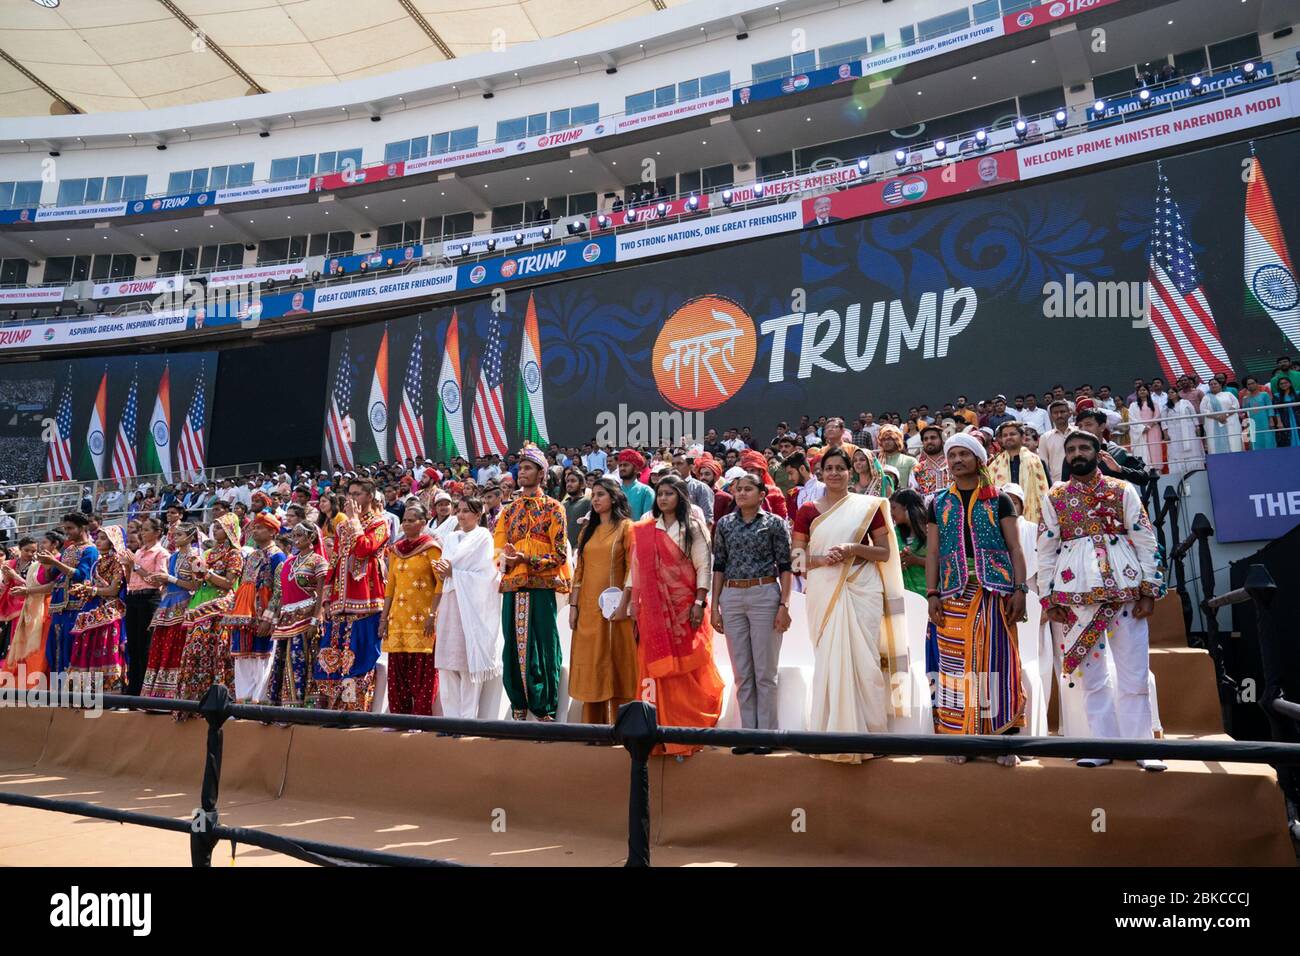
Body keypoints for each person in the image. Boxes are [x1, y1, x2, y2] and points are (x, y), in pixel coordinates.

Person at [1038, 429, 1166, 771]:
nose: (1078, 453)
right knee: (1092, 677)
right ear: (1065, 457)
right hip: (1077, 596)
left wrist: (1149, 589)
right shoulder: (1055, 496)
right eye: (1072, 449)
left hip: (1126, 593)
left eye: (1084, 447)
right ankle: (1102, 744)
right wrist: (1047, 596)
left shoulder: (1122, 489)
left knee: (1134, 672)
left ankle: (1141, 746)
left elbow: (1144, 539)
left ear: (1097, 451)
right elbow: (1046, 548)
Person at [793, 447, 911, 759]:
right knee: (830, 662)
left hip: (863, 589)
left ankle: (872, 736)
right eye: (828, 468)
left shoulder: (868, 507)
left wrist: (852, 548)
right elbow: (796, 560)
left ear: (851, 472)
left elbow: (884, 552)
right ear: (821, 473)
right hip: (825, 590)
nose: (834, 473)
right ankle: (830, 735)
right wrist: (822, 558)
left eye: (840, 468)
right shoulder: (807, 510)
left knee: (866, 663)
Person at [924, 434, 1028, 764]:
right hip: (953, 591)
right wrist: (931, 593)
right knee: (954, 664)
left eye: (963, 454)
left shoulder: (999, 500)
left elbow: (1015, 548)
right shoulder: (938, 502)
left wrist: (1020, 590)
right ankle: (961, 737)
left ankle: (1002, 739)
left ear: (979, 459)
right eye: (951, 454)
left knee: (996, 660)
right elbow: (933, 552)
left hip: (994, 590)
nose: (956, 460)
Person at [627, 474, 723, 757]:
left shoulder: (693, 526)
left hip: (685, 610)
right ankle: (655, 734)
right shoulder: (645, 529)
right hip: (653, 612)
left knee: (686, 669)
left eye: (669, 493)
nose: (663, 498)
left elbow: (703, 566)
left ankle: (686, 732)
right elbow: (635, 569)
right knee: (655, 671)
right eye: (660, 494)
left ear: (681, 496)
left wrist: (699, 601)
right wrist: (634, 602)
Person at [711, 472, 793, 749]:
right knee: (742, 671)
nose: (742, 493)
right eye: (738, 489)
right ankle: (748, 734)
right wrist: (715, 606)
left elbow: (785, 567)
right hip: (732, 595)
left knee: (765, 672)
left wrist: (784, 605)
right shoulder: (724, 524)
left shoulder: (775, 524)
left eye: (748, 489)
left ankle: (766, 736)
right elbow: (719, 565)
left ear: (761, 495)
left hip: (765, 593)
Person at [495, 444, 571, 721]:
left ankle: (545, 705)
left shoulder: (554, 508)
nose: (521, 472)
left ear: (541, 474)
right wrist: (506, 559)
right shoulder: (509, 510)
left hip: (541, 584)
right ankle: (519, 703)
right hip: (514, 585)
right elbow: (498, 547)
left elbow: (560, 553)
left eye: (528, 468)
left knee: (544, 642)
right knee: (512, 643)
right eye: (520, 468)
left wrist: (527, 559)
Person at [568, 477, 638, 724]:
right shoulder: (588, 530)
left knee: (616, 661)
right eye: (593, 495)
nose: (595, 499)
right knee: (591, 663)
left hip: (615, 609)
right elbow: (579, 572)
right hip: (587, 608)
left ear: (614, 497)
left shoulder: (627, 528)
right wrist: (573, 606)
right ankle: (592, 728)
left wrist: (625, 605)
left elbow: (633, 568)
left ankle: (620, 727)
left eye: (600, 495)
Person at [317, 477, 389, 712]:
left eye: (358, 494)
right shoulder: (342, 526)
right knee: (333, 655)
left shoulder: (380, 523)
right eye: (351, 494)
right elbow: (335, 560)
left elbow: (364, 548)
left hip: (366, 600)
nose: (353, 499)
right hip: (339, 603)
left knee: (358, 657)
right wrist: (327, 598)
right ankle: (331, 708)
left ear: (370, 496)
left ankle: (353, 708)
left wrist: (355, 521)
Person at [433, 497, 503, 719]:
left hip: (471, 606)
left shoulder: (483, 537)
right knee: (446, 663)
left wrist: (454, 573)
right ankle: (451, 719)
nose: (461, 515)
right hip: (450, 601)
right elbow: (445, 569)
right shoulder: (452, 538)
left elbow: (486, 575)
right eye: (459, 510)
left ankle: (467, 719)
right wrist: (445, 571)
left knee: (466, 665)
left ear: (478, 514)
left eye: (466, 511)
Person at [175, 513, 242, 716]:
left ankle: (219, 702)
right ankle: (193, 704)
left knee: (217, 653)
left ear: (230, 531)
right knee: (194, 652)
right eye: (214, 526)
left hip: (221, 607)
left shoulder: (234, 554)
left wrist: (207, 574)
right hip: (200, 605)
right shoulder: (208, 553)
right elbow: (197, 582)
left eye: (220, 527)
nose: (216, 530)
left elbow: (229, 583)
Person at [380, 502, 442, 716]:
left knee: (423, 671)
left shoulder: (431, 548)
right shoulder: (396, 550)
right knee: (397, 671)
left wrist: (433, 614)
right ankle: (399, 717)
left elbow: (440, 584)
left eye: (411, 520)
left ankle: (421, 718)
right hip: (397, 618)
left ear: (423, 523)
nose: (406, 524)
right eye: (404, 520)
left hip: (423, 618)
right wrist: (384, 618)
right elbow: (390, 587)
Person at [222, 511, 286, 703]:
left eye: (259, 528)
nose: (254, 531)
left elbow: (279, 590)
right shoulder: (252, 556)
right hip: (245, 613)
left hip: (262, 613)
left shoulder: (278, 556)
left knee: (262, 656)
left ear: (272, 532)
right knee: (243, 656)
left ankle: (259, 701)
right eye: (254, 527)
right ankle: (243, 700)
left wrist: (268, 618)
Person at [267, 521, 330, 707]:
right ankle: (280, 705)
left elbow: (321, 593)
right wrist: (276, 618)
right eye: (293, 536)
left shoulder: (318, 561)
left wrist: (315, 620)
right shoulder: (289, 562)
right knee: (282, 660)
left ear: (311, 537)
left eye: (300, 535)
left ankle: (301, 706)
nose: (295, 540)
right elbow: (283, 594)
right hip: (287, 620)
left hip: (306, 618)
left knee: (301, 661)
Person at [139, 523, 205, 700]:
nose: (175, 538)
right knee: (160, 646)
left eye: (179, 535)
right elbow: (168, 581)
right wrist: (159, 579)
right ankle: (155, 694)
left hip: (184, 604)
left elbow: (197, 585)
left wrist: (169, 578)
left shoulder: (197, 559)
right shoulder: (174, 557)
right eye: (174, 535)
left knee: (175, 646)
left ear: (191, 537)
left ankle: (172, 694)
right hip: (168, 602)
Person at [66, 526, 129, 694]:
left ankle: (109, 693)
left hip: (110, 612)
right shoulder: (98, 562)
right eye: (98, 538)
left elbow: (113, 591)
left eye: (103, 538)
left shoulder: (117, 562)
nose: (98, 541)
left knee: (106, 649)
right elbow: (93, 586)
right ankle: (87, 692)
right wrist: (83, 589)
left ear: (113, 541)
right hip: (94, 610)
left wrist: (91, 590)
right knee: (88, 648)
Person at [40, 512, 99, 681]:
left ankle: (71, 689)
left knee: (71, 646)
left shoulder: (90, 550)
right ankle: (58, 689)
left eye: (70, 528)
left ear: (83, 528)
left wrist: (56, 562)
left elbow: (82, 575)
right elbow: (51, 577)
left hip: (76, 604)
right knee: (55, 646)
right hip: (59, 605)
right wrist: (46, 564)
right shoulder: (68, 549)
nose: (67, 532)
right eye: (65, 528)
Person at [0, 533, 56, 689]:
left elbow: (31, 587)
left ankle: (25, 676)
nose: (30, 554)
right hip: (11, 607)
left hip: (29, 606)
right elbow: (4, 586)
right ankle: (11, 674)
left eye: (33, 551)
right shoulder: (11, 563)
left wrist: (15, 576)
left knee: (26, 643)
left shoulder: (36, 565)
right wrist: (6, 578)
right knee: (10, 643)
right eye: (27, 550)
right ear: (19, 549)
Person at [120, 517, 169, 695]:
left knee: (146, 646)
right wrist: (127, 567)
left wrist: (135, 565)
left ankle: (145, 689)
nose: (143, 532)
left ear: (157, 532)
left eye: (147, 529)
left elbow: (157, 581)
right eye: (143, 529)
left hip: (150, 598)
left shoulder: (161, 553)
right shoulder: (139, 551)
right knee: (133, 645)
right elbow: (130, 580)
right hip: (134, 596)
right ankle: (133, 688)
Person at [988, 421, 1049, 524]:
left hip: (1032, 521)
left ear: (1022, 437)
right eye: (1005, 435)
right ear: (1001, 440)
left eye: (1012, 434)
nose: (1008, 437)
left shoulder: (1036, 461)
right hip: (1004, 519)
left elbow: (1046, 492)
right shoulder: (994, 466)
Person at [889, 490, 929, 597]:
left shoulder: (932, 530)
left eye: (893, 508)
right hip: (899, 595)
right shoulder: (894, 533)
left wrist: (916, 560)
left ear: (906, 507)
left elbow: (945, 564)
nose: (891, 513)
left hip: (927, 597)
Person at [1165, 386, 1205, 476]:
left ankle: (1195, 471)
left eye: (1173, 392)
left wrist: (1197, 427)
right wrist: (1165, 433)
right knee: (1176, 451)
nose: (1171, 394)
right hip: (1173, 431)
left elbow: (1193, 414)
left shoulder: (1185, 402)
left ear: (1177, 393)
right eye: (1169, 393)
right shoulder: (1166, 407)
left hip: (1189, 429)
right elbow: (1164, 421)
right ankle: (1179, 473)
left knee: (1193, 448)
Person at [1200, 377, 1243, 455]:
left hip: (1230, 422)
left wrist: (1225, 415)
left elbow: (1236, 405)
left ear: (1220, 385)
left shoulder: (1228, 394)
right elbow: (1203, 410)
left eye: (1215, 384)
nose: (1213, 386)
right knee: (1214, 444)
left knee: (1233, 443)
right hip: (1213, 424)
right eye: (1211, 384)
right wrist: (1218, 417)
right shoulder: (1206, 397)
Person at [1038, 400, 1074, 483]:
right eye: (1055, 413)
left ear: (1069, 413)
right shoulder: (1045, 437)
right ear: (1051, 416)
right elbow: (1043, 465)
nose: (1059, 415)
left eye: (1062, 412)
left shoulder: (1078, 433)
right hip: (1056, 483)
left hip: (1080, 480)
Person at [908, 424, 949, 498]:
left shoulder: (951, 465)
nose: (929, 441)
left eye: (933, 438)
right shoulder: (917, 469)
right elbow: (914, 496)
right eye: (925, 439)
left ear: (942, 440)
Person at [615, 449, 654, 520]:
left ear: (636, 469)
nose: (622, 468)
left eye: (626, 465)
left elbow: (648, 521)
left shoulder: (646, 491)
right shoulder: (614, 490)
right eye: (620, 465)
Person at [1239, 376, 1275, 450]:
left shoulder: (1264, 394)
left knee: (1268, 438)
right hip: (1252, 422)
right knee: (1255, 440)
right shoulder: (1245, 398)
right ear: (1246, 386)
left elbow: (1269, 407)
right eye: (1248, 384)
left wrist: (1271, 420)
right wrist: (1245, 398)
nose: (1251, 385)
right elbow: (1244, 411)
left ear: (1257, 384)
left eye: (1252, 383)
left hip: (1265, 420)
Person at [560, 468, 592, 550]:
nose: (569, 484)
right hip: (562, 550)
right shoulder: (563, 504)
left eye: (573, 481)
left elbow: (588, 528)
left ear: (582, 485)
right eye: (567, 481)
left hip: (579, 550)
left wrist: (578, 547)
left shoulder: (588, 502)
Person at [1273, 375, 1300, 447]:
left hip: (1297, 417)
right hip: (1284, 419)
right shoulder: (1277, 395)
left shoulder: (1298, 393)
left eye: (1286, 383)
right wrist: (1279, 422)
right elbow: (1276, 411)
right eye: (1281, 384)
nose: (1284, 385)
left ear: (1290, 383)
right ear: (1279, 386)